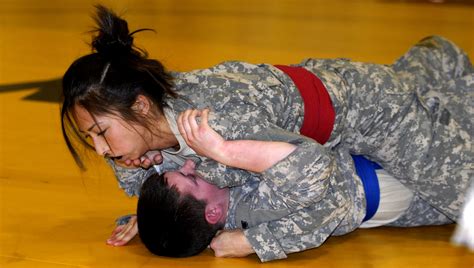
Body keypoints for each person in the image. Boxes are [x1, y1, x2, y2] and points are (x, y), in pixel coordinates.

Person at [61, 5, 472, 249]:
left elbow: (314, 167)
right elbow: (141, 186)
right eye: (90, 138)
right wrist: (147, 214)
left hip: (373, 111)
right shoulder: (135, 139)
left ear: (142, 106)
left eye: (101, 132)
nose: (101, 150)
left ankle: (432, 72)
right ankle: (433, 60)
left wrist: (224, 155)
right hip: (322, 86)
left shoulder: (215, 122)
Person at [138, 110, 432, 261]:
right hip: (387, 184)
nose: (189, 166)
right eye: (190, 178)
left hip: (361, 150)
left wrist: (150, 221)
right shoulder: (253, 211)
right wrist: (254, 243)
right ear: (212, 214)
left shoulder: (215, 199)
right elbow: (314, 173)